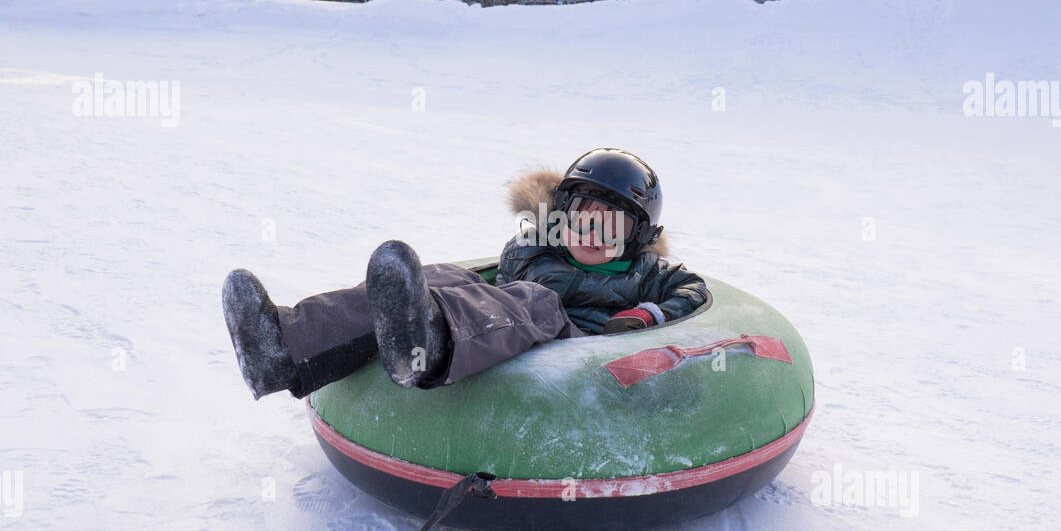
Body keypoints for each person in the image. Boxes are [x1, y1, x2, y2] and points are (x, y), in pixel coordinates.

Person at [222, 148, 708, 400]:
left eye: (612, 223)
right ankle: (283, 347)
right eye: (583, 215)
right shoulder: (537, 250)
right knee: (444, 276)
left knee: (539, 301)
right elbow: (498, 281)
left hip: (578, 345)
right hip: (513, 322)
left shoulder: (647, 271)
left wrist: (647, 315)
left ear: (637, 236)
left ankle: (429, 346)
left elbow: (695, 291)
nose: (593, 231)